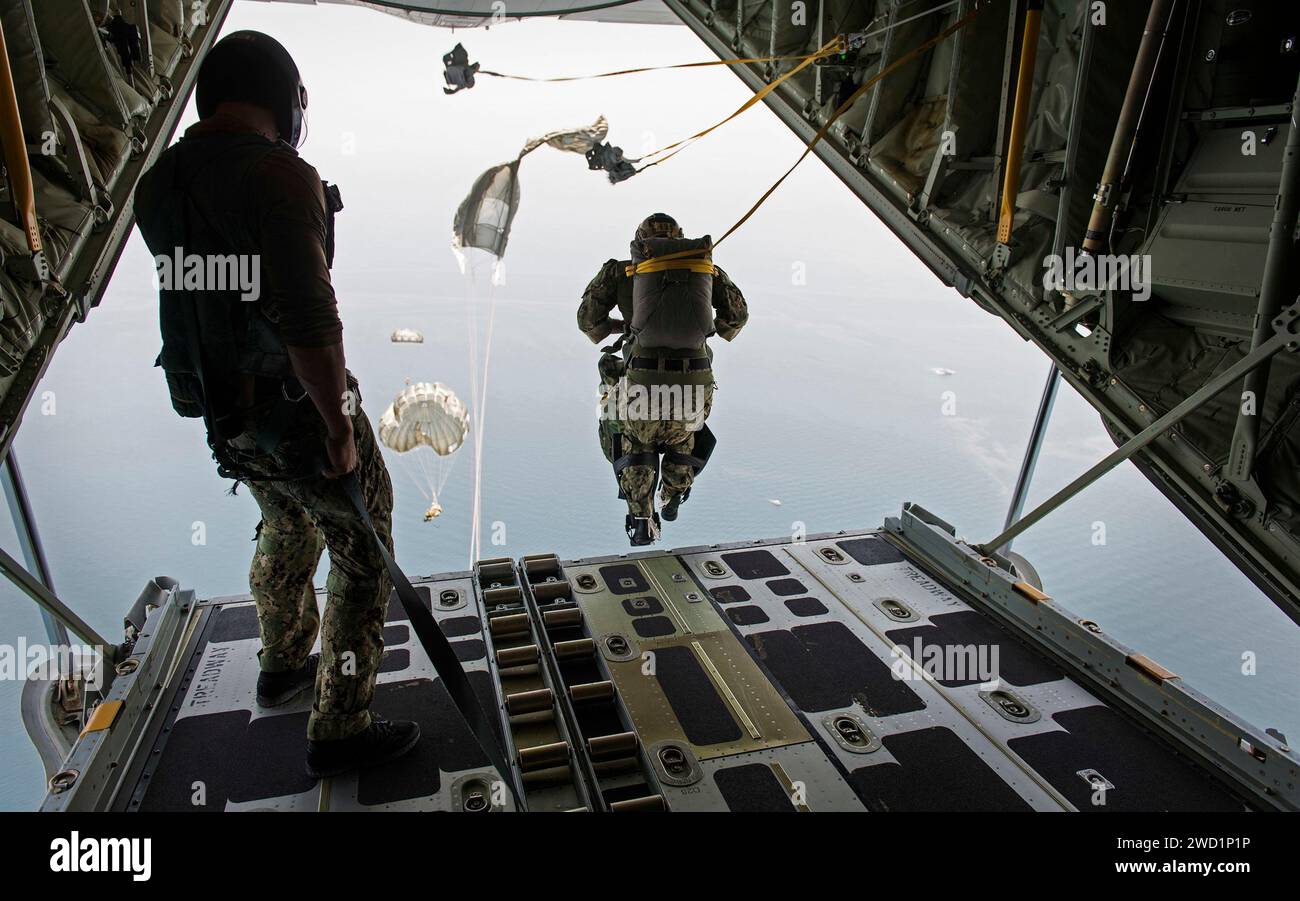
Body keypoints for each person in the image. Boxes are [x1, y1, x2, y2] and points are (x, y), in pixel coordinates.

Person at [133, 31, 419, 778]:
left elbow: (211, 297)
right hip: (295, 414)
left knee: (284, 521)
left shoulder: (159, 183)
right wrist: (339, 432)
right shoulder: (280, 179)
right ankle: (340, 727)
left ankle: (283, 660)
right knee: (362, 554)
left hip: (228, 421)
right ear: (286, 100)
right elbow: (311, 325)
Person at [580, 213, 748, 545]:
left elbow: (588, 322)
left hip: (643, 379)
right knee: (681, 440)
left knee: (635, 441)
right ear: (680, 239)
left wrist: (623, 326)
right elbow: (738, 315)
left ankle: (641, 520)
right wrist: (709, 330)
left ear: (641, 244)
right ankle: (672, 495)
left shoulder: (620, 270)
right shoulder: (705, 269)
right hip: (695, 382)